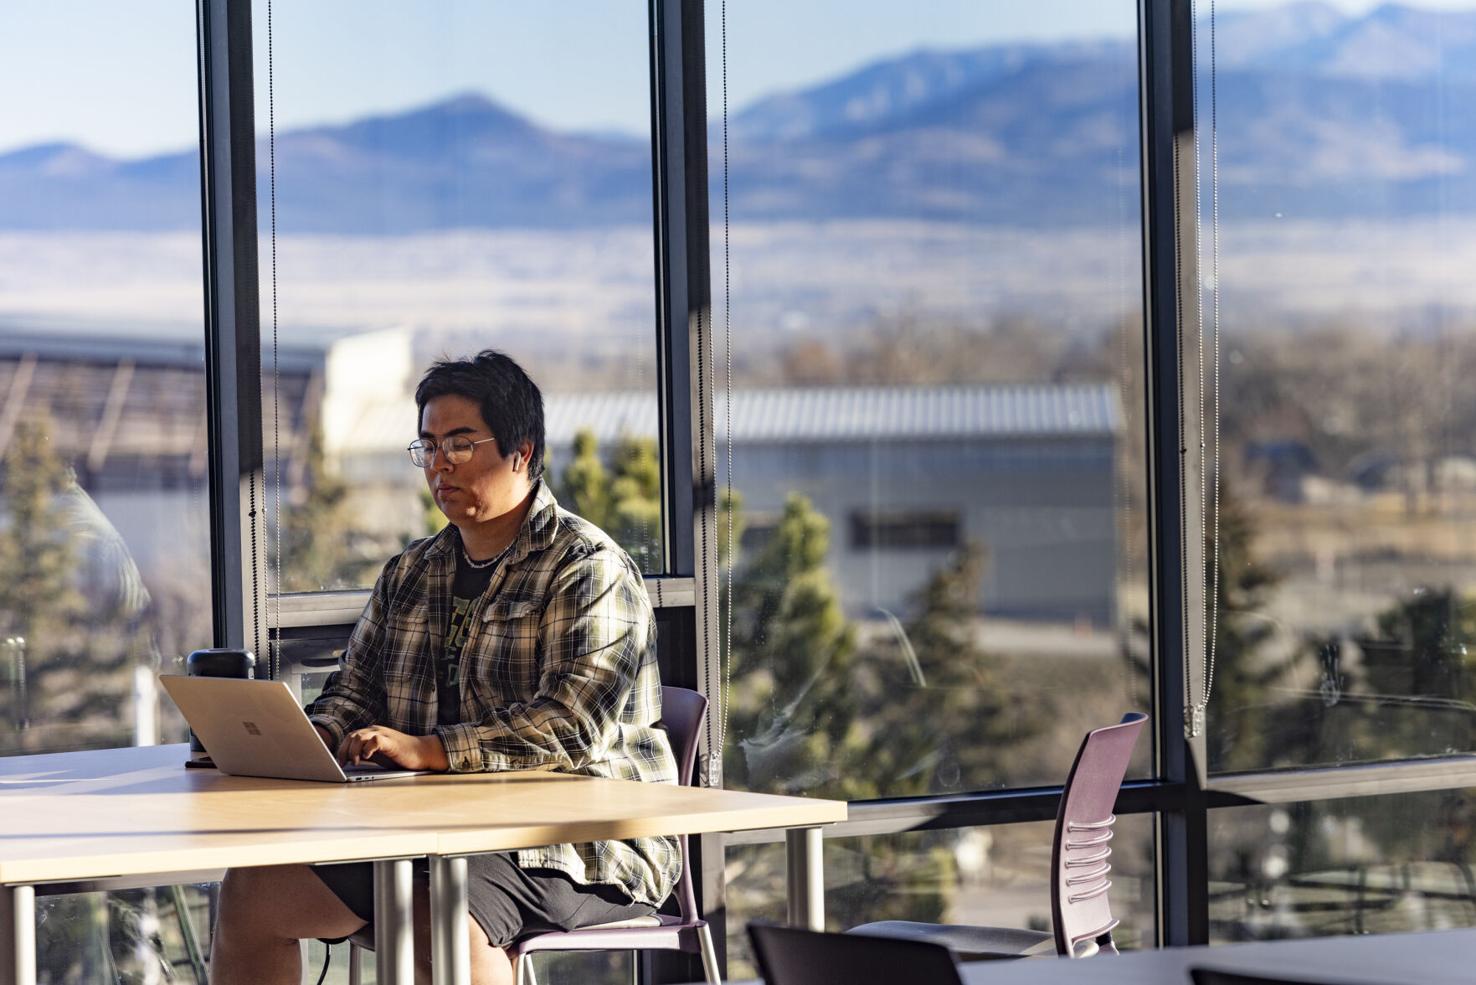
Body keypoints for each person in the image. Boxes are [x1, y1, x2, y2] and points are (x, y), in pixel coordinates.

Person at [210, 350, 680, 985]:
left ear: (521, 451)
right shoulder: (413, 570)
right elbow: (355, 687)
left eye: (460, 445)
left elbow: (570, 727)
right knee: (255, 890)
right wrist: (314, 738)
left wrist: (430, 750)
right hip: (431, 833)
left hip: (579, 843)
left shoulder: (587, 568)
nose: (439, 464)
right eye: (427, 446)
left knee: (439, 908)